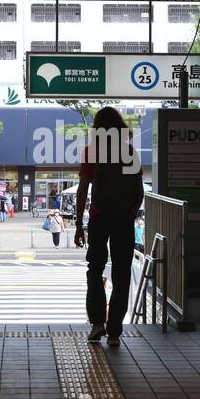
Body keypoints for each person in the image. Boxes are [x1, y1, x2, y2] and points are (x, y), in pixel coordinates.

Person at [75, 107, 144, 347]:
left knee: (95, 270)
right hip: (123, 220)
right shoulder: (129, 153)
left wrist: (77, 224)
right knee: (122, 273)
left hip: (99, 218)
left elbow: (83, 189)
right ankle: (114, 330)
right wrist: (130, 213)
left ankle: (97, 324)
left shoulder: (92, 152)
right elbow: (139, 192)